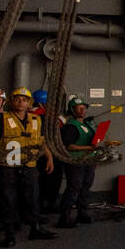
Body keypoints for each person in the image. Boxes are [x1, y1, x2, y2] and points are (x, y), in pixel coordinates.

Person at [0, 86, 56, 248]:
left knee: (33, 198)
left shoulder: (36, 120)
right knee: (8, 200)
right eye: (17, 99)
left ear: (29, 103)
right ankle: (9, 234)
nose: (20, 102)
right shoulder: (0, 118)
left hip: (29, 165)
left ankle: (35, 228)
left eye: (24, 100)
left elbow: (41, 141)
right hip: (7, 166)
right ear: (11, 102)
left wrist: (49, 157)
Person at [56, 94, 97, 228]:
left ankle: (82, 212)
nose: (82, 110)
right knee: (74, 187)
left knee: (86, 186)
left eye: (83, 108)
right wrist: (89, 147)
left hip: (88, 161)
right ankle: (65, 216)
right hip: (75, 162)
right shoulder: (70, 126)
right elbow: (69, 146)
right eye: (78, 108)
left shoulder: (86, 124)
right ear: (72, 110)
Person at [32, 89, 62, 216]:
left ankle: (45, 205)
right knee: (48, 180)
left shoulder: (33, 115)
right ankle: (46, 205)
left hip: (45, 153)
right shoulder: (42, 116)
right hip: (46, 152)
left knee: (45, 180)